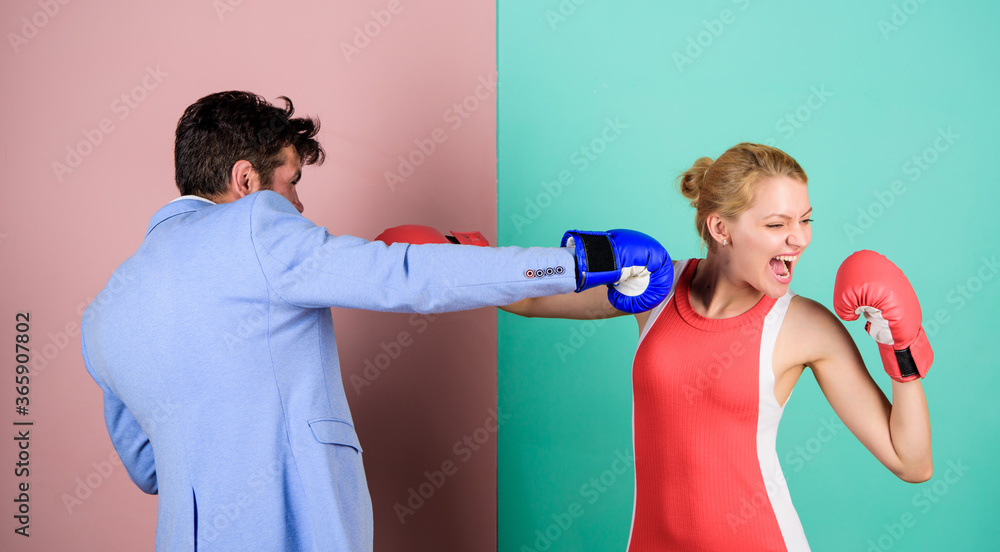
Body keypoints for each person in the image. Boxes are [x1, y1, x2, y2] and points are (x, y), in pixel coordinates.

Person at [79, 90, 673, 551]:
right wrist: (583, 260)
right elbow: (405, 275)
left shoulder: (103, 314)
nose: (299, 206)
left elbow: (149, 469)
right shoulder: (255, 226)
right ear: (245, 180)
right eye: (291, 182)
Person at [501, 142, 933, 551]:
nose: (799, 239)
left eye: (805, 220)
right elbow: (529, 299)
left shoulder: (805, 325)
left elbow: (911, 463)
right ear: (721, 228)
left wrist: (900, 346)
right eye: (777, 224)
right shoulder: (654, 286)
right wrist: (467, 257)